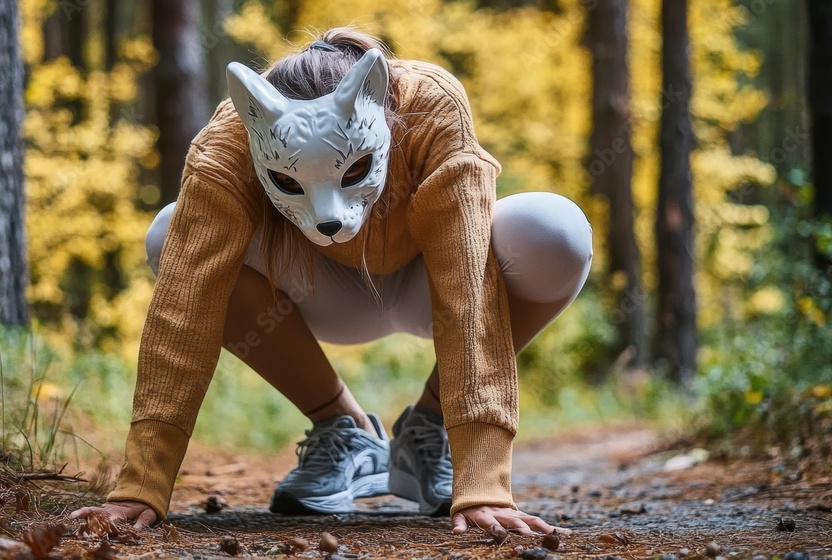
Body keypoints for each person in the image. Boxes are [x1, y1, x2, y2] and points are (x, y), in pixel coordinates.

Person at [71, 27, 592, 538]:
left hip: (427, 284)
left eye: (354, 169)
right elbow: (184, 304)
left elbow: (468, 286)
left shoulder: (431, 105)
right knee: (170, 233)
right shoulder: (229, 137)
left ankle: (428, 428)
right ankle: (345, 429)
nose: (329, 215)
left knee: (555, 231)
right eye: (292, 182)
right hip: (311, 289)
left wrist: (483, 482)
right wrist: (141, 485)